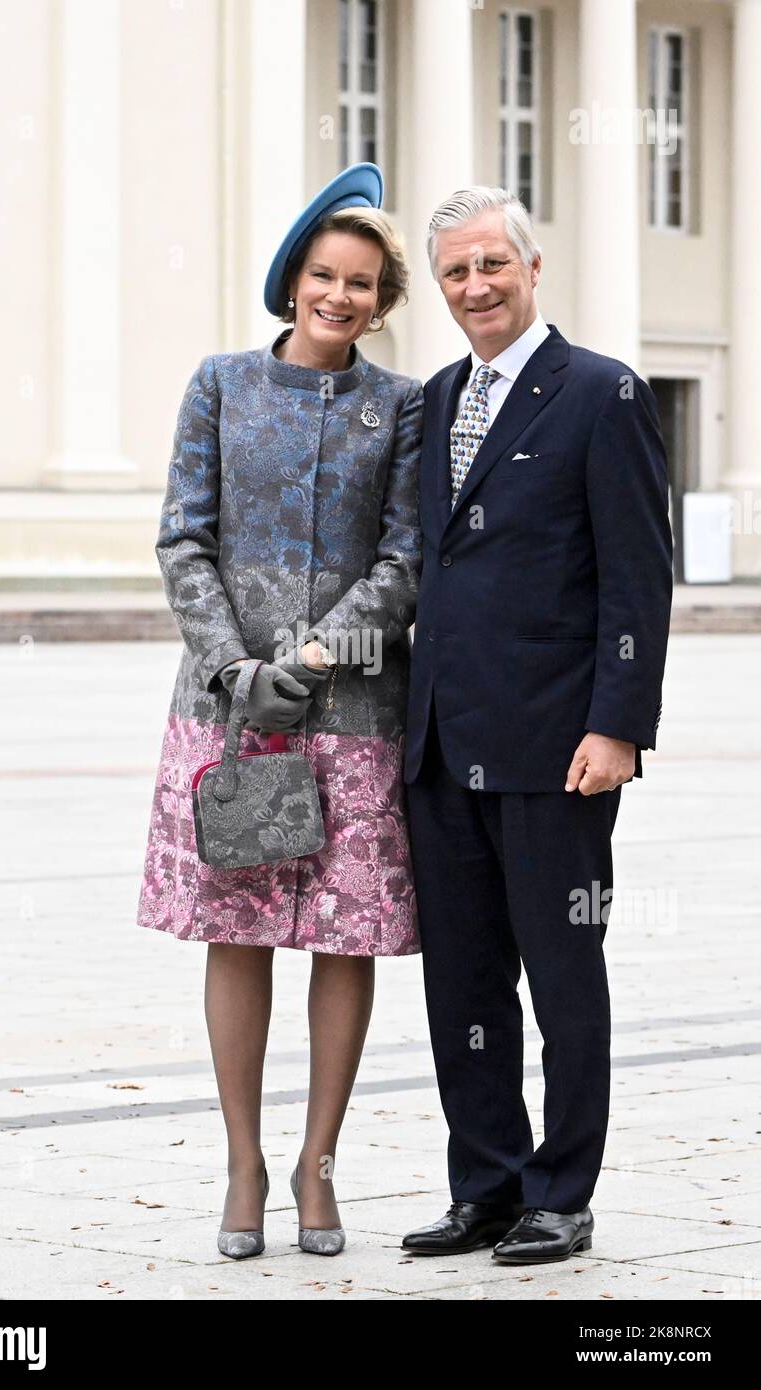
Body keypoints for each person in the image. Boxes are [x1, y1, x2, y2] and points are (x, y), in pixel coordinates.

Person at [136, 164, 424, 1259]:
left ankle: (319, 1164)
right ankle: (244, 1162)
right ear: (291, 278)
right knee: (239, 930)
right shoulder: (217, 385)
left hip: (352, 712)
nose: (338, 296)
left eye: (359, 284)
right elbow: (181, 538)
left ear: (381, 301)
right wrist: (230, 669)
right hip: (228, 713)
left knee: (342, 937)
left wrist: (311, 654)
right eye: (322, 274)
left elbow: (403, 558)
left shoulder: (398, 409)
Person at [400, 186, 673, 1264]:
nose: (474, 287)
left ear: (530, 266)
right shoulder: (432, 398)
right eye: (456, 272)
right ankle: (489, 1185)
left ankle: (562, 1189)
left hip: (555, 749)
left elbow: (636, 581)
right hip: (439, 744)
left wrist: (618, 726)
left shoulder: (598, 394)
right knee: (461, 981)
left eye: (490, 266)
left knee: (562, 975)